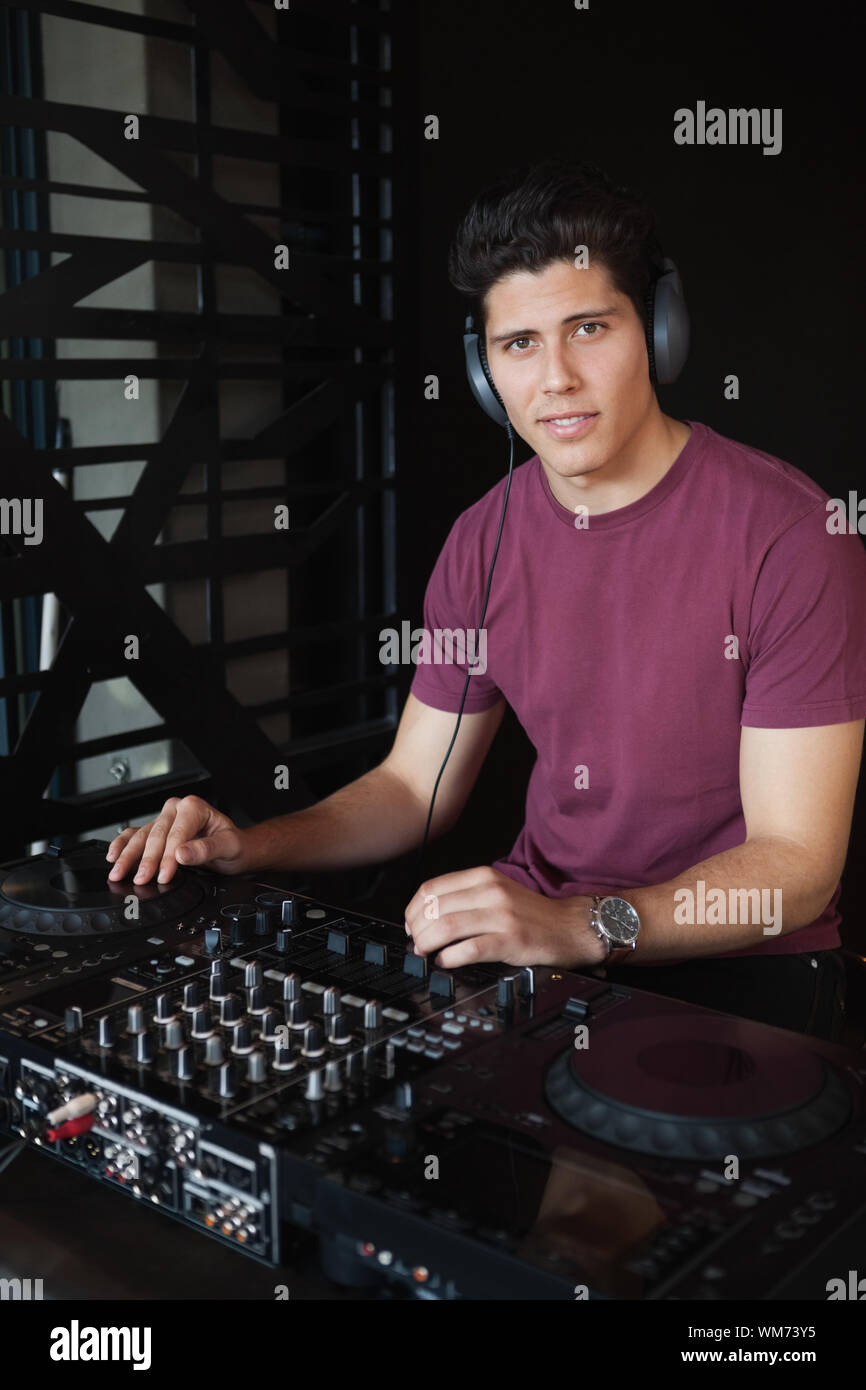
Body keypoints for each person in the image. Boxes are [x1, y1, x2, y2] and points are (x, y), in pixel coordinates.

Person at [107, 159, 866, 1043]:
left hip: (744, 969)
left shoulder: (793, 534)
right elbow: (411, 788)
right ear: (483, 371)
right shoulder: (481, 539)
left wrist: (587, 927)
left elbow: (797, 867)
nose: (555, 380)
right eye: (519, 344)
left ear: (659, 331)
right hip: (540, 941)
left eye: (589, 328)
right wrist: (249, 844)